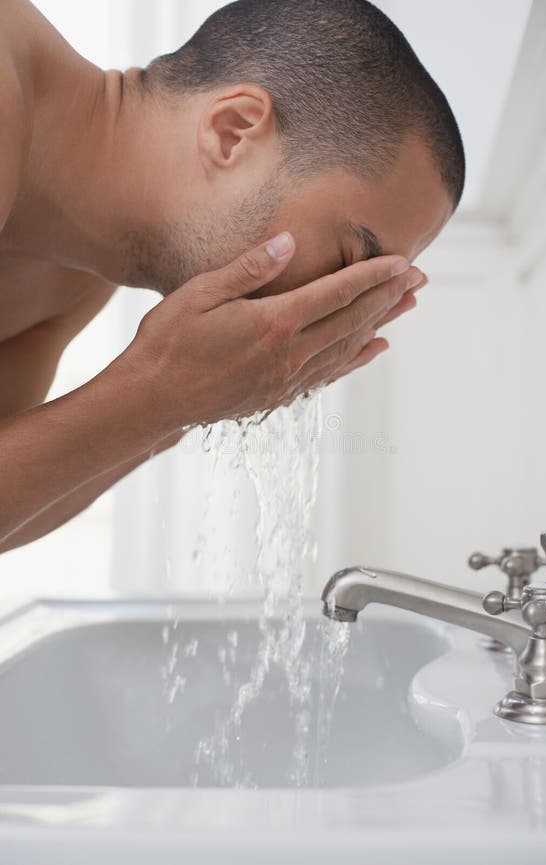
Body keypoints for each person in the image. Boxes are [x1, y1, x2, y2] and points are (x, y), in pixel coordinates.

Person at [0, 0, 464, 551]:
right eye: (347, 263)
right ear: (233, 131)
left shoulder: (77, 275)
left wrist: (187, 403)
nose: (339, 308)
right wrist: (157, 393)